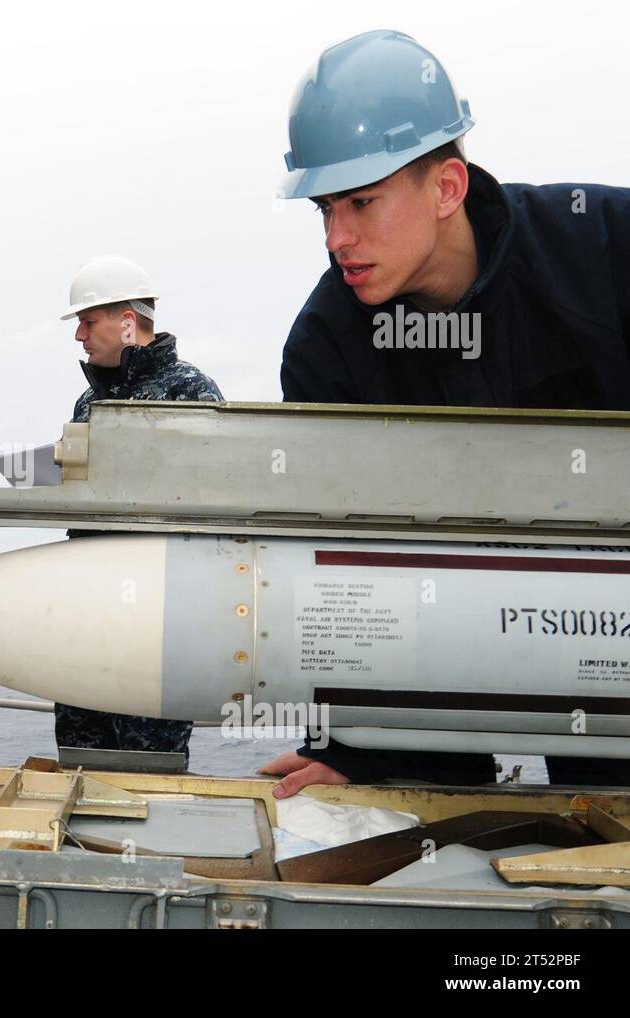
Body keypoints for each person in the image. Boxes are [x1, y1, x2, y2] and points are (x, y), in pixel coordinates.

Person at [260, 29, 630, 797]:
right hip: (438, 659)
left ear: (446, 188)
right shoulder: (325, 349)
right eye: (326, 208)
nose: (337, 239)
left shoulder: (604, 249)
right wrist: (353, 744)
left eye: (362, 202)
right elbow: (340, 569)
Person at [54, 255, 224, 766]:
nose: (80, 336)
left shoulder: (191, 393)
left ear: (127, 321)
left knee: (150, 765)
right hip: (89, 608)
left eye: (88, 321)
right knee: (79, 750)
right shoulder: (88, 403)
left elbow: (213, 501)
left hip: (157, 616)